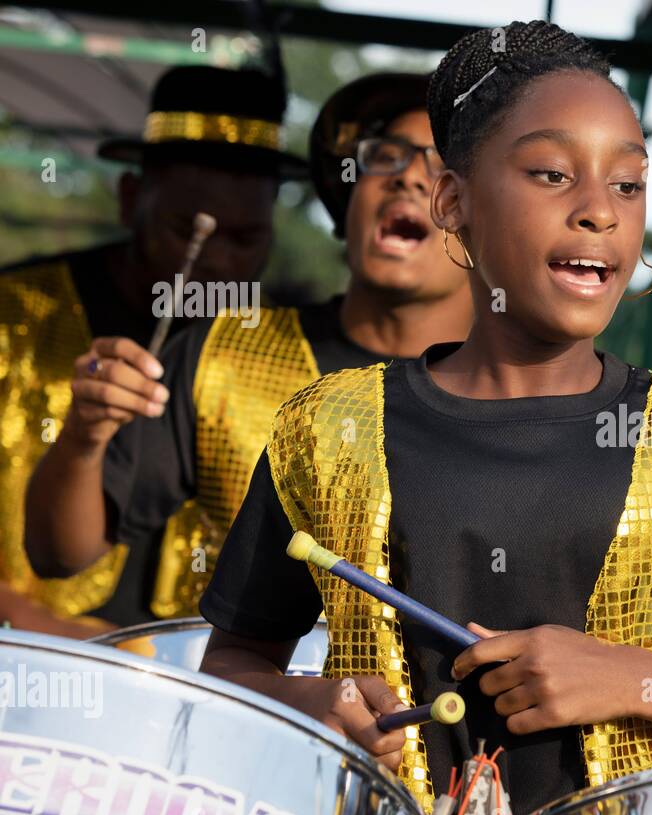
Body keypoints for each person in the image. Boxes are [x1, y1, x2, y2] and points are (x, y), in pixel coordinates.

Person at [196, 21, 652, 815]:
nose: (598, 212)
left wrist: (628, 679)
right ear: (453, 199)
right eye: (552, 173)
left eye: (628, 184)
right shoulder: (330, 429)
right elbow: (231, 671)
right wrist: (315, 703)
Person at [25, 74, 474, 624]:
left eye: (440, 165)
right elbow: (60, 553)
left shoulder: (522, 391)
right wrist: (83, 435)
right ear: (345, 199)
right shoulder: (223, 349)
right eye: (386, 156)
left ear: (488, 223)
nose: (406, 177)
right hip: (239, 703)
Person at [3, 66, 304, 637]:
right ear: (130, 199)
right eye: (187, 230)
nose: (215, 262)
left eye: (245, 239)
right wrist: (26, 620)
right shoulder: (11, 318)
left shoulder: (286, 351)